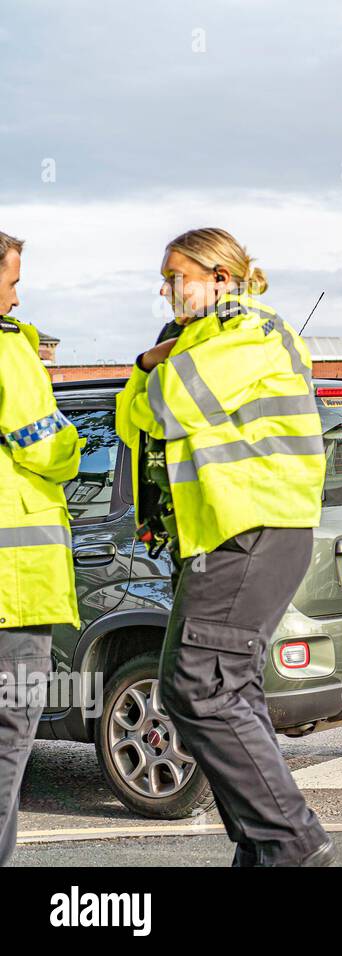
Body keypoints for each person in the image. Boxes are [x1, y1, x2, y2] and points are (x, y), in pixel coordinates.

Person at [115, 227, 334, 867]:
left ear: (220, 278)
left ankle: (291, 843)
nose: (165, 289)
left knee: (200, 689)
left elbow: (175, 402)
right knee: (222, 690)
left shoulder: (254, 330)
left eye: (175, 275)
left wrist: (157, 366)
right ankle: (264, 848)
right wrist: (153, 367)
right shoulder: (200, 340)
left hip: (254, 528)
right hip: (225, 533)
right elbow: (138, 415)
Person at [0, 231, 81, 865]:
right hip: (16, 585)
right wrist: (74, 442)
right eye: (12, 281)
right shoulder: (9, 351)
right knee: (9, 735)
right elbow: (45, 445)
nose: (17, 297)